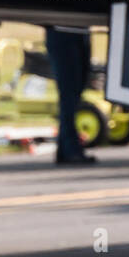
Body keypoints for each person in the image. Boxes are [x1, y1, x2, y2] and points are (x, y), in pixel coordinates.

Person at [44, 25, 97, 165]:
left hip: (80, 31)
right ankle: (70, 149)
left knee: (76, 90)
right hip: (62, 31)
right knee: (69, 93)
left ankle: (64, 149)